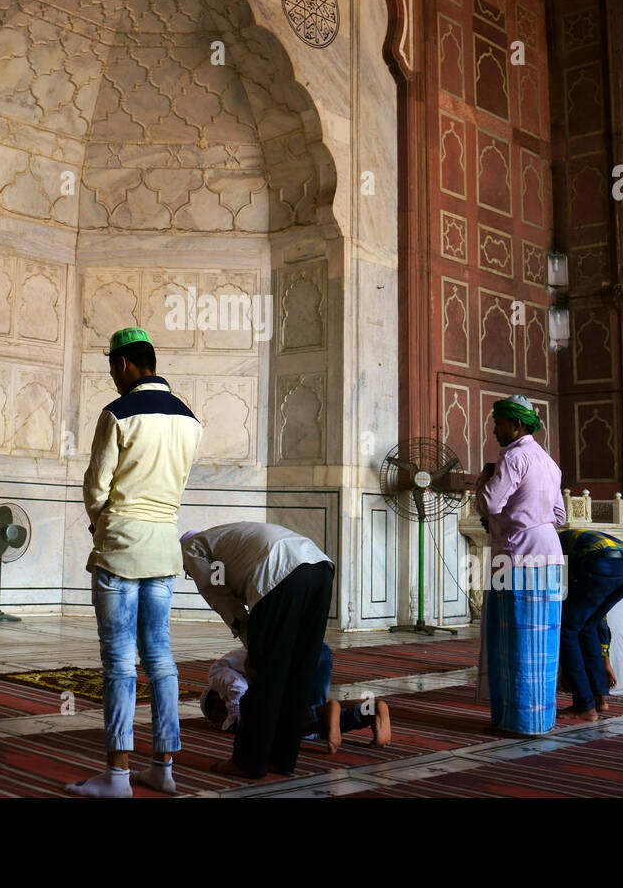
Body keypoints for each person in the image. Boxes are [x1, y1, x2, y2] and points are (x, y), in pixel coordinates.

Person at [65, 327, 202, 798]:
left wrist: (104, 528)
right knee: (160, 658)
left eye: (110, 366)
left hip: (121, 549)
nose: (111, 375)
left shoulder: (117, 413)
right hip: (165, 548)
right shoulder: (190, 419)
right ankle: (164, 768)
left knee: (120, 663)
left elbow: (96, 488)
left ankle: (118, 775)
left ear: (123, 364)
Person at [180, 522, 334, 778]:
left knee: (265, 676)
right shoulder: (226, 538)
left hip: (281, 575)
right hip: (320, 568)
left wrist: (250, 640)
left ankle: (248, 761)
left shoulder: (193, 550)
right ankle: (283, 760)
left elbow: (218, 592)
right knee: (299, 674)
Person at [474, 395, 565, 736]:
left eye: (498, 423)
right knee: (542, 640)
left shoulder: (513, 458)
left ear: (516, 425)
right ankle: (540, 718)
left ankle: (516, 721)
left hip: (515, 556)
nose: (494, 430)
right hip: (550, 554)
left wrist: (482, 480)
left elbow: (489, 503)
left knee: (513, 639)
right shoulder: (548, 462)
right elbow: (560, 515)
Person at [200, 643, 391, 751]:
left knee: (290, 725)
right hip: (317, 651)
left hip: (296, 659)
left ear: (214, 691)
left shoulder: (215, 674)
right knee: (316, 727)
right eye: (216, 716)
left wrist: (236, 723)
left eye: (214, 706)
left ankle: (327, 710)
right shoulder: (251, 689)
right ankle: (369, 712)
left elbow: (236, 688)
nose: (219, 711)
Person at [553, 526, 623, 720]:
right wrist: (605, 658)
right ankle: (600, 700)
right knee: (588, 625)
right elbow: (599, 620)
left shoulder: (549, 547)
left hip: (602, 563)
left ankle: (584, 705)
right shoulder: (565, 540)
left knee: (566, 630)